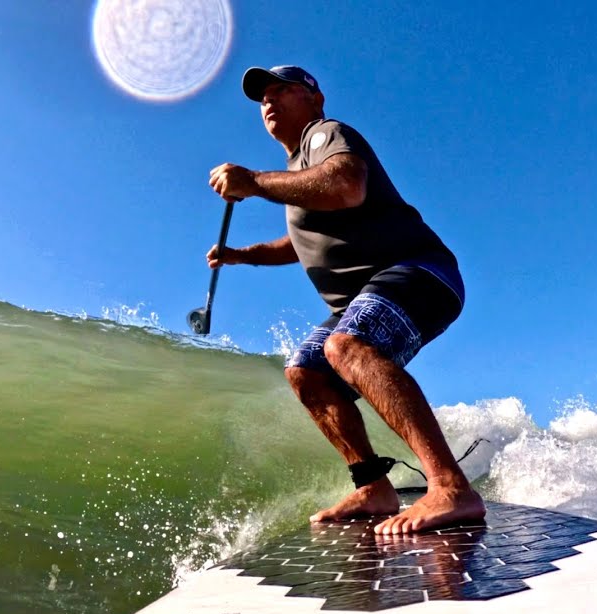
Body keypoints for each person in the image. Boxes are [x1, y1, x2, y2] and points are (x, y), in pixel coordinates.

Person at [206, 65, 485, 535]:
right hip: (365, 293)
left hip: (418, 271)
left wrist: (253, 181)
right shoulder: (297, 175)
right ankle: (374, 486)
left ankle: (451, 487)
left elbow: (346, 186)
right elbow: (297, 244)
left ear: (315, 98)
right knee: (307, 371)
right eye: (262, 97)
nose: (268, 101)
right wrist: (240, 256)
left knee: (346, 345)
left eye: (283, 90)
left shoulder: (326, 133)